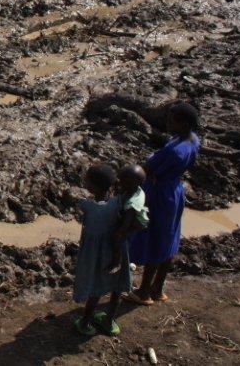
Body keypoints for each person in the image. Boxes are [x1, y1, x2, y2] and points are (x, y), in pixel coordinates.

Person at [126, 102, 201, 306]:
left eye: (171, 120)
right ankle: (157, 288)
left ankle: (143, 292)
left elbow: (146, 170)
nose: (167, 123)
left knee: (154, 239)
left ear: (184, 124)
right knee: (169, 238)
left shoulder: (174, 152)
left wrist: (126, 177)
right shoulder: (193, 140)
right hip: (174, 190)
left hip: (159, 194)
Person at [72, 163, 131, 337]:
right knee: (116, 289)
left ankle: (85, 323)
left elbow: (80, 210)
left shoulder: (88, 206)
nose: (85, 182)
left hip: (96, 255)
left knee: (95, 290)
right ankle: (109, 321)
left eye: (87, 180)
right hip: (117, 251)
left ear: (93, 186)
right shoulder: (118, 202)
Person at [108, 164, 148, 275]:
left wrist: (119, 232)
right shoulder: (136, 189)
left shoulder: (133, 202)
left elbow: (128, 220)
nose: (119, 183)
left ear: (129, 184)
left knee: (119, 241)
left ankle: (116, 263)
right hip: (137, 216)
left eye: (121, 181)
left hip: (136, 222)